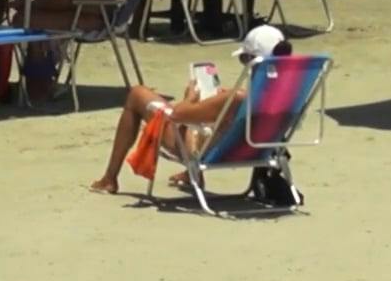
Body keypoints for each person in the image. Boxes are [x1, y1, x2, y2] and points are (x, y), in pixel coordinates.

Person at [89, 24, 290, 194]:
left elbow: (178, 115)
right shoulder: (286, 95)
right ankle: (190, 175)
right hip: (251, 150)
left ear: (251, 61)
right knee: (205, 112)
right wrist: (219, 100)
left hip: (199, 149)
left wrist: (190, 97)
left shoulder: (236, 99)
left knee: (137, 94)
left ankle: (109, 178)